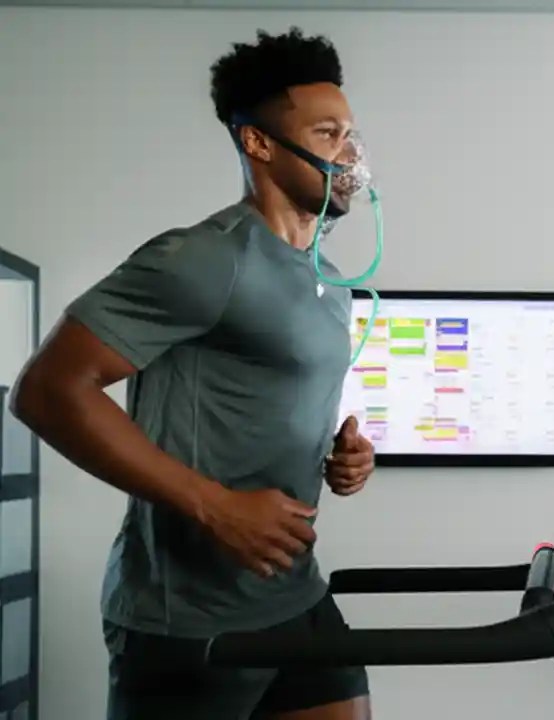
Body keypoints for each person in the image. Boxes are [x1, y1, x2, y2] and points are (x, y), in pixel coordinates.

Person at [10, 28, 378, 720]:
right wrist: (215, 504)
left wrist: (344, 457)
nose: (351, 156)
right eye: (329, 134)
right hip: (188, 615)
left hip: (294, 593)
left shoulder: (328, 279)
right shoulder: (203, 260)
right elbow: (48, 391)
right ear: (258, 144)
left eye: (352, 135)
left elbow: (260, 399)